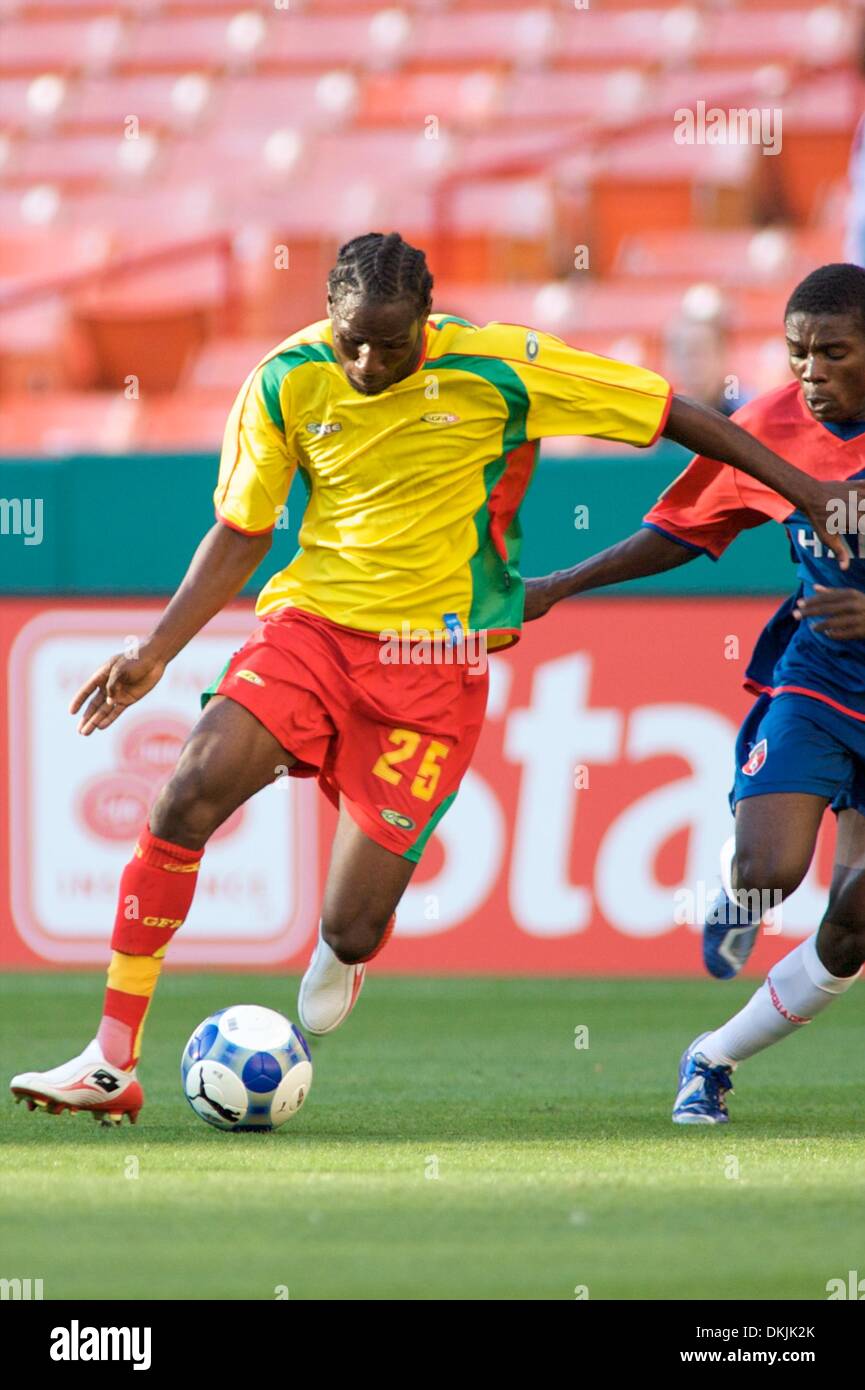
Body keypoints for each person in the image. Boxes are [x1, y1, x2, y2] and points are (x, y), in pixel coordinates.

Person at [8, 235, 860, 1125]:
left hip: (435, 666)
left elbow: (672, 412)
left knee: (351, 927)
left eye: (392, 343)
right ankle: (112, 1058)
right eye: (352, 341)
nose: (369, 363)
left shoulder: (500, 367)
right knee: (185, 795)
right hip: (312, 630)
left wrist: (798, 487)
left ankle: (344, 950)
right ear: (330, 320)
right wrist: (155, 651)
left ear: (427, 318)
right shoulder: (287, 378)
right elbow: (242, 532)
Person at [522, 262, 865, 1124]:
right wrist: (560, 583)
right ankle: (736, 894)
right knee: (766, 870)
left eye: (834, 353)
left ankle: (710, 1058)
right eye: (797, 356)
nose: (811, 374)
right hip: (823, 677)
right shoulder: (773, 425)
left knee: (851, 919)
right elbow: (679, 532)